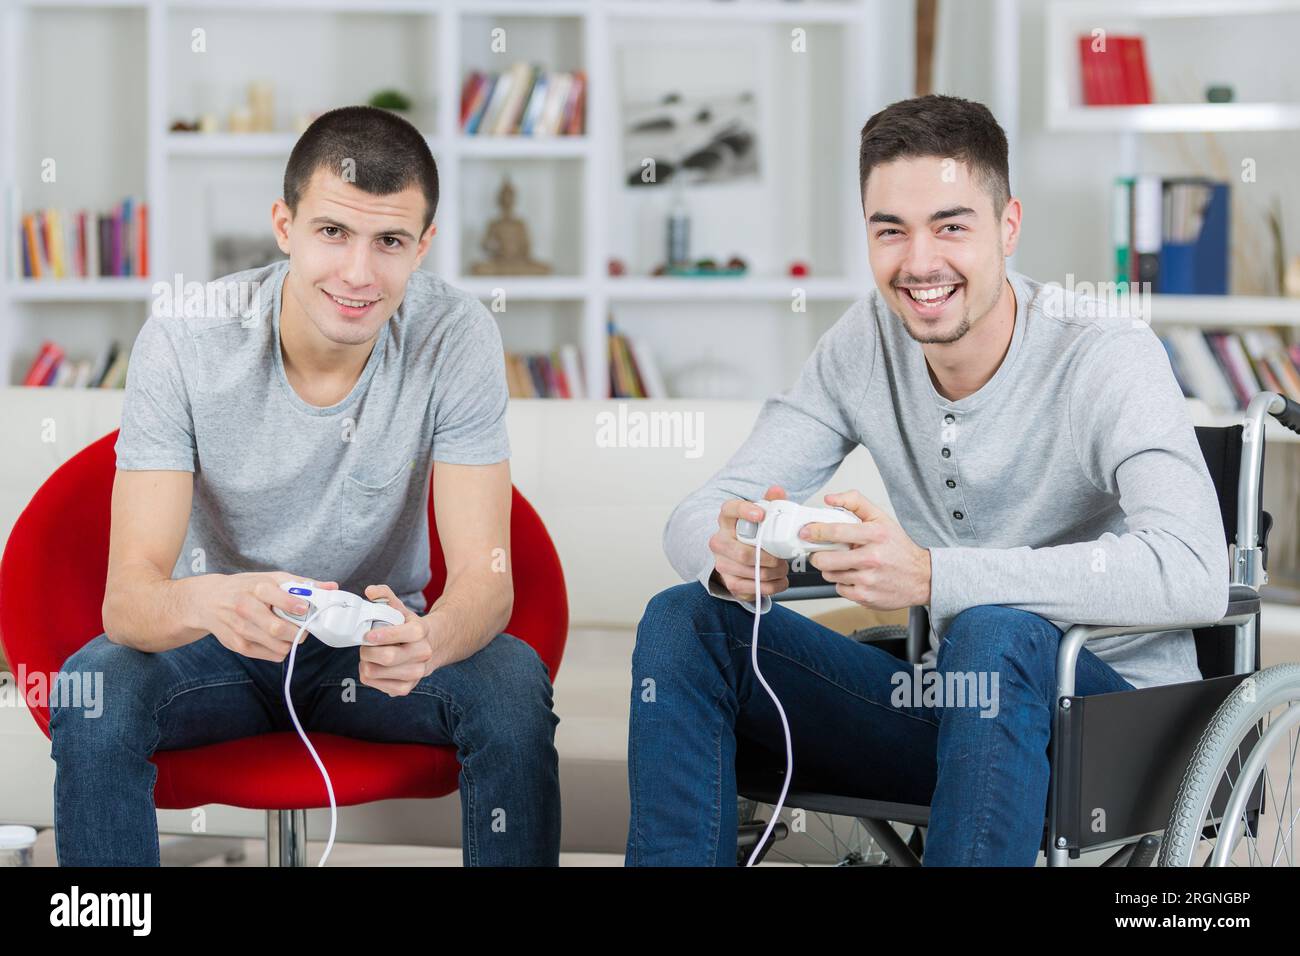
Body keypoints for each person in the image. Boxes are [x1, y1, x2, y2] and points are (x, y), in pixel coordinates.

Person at [626, 94, 1228, 866]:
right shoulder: (863, 346)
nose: (919, 263)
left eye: (951, 225)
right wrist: (729, 551)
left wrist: (932, 575)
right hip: (952, 715)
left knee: (994, 627)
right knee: (686, 619)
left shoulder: (1106, 353)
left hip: (1110, 734)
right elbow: (704, 508)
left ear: (1008, 226)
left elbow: (1195, 571)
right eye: (890, 231)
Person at [50, 105, 560, 867]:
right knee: (93, 687)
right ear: (284, 225)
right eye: (332, 233)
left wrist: (430, 640)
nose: (358, 274)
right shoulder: (185, 337)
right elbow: (127, 601)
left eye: (389, 241)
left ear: (422, 246)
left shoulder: (457, 335)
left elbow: (488, 587)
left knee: (512, 683)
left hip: (372, 646)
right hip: (217, 640)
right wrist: (204, 600)